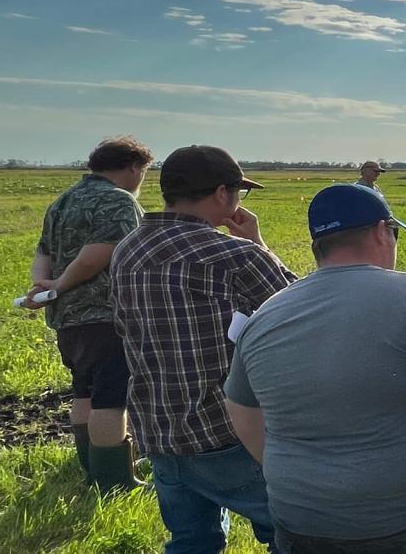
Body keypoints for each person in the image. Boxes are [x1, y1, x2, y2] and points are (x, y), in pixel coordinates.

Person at [223, 185, 406, 553]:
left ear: (318, 247)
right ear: (380, 231)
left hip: (300, 522)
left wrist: (298, 473)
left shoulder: (267, 315)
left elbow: (240, 408)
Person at [112, 145, 297, 554]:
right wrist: (259, 243)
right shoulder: (232, 255)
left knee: (192, 541)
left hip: (158, 429)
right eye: (238, 192)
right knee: (291, 531)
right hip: (226, 431)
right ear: (221, 194)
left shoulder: (128, 250)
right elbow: (304, 316)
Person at [23, 136, 153, 491]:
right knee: (111, 399)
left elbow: (43, 252)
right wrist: (60, 285)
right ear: (133, 167)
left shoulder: (63, 200)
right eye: (144, 172)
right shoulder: (119, 201)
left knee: (84, 392)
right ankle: (115, 482)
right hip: (107, 314)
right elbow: (98, 255)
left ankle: (92, 468)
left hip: (68, 319)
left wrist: (44, 286)